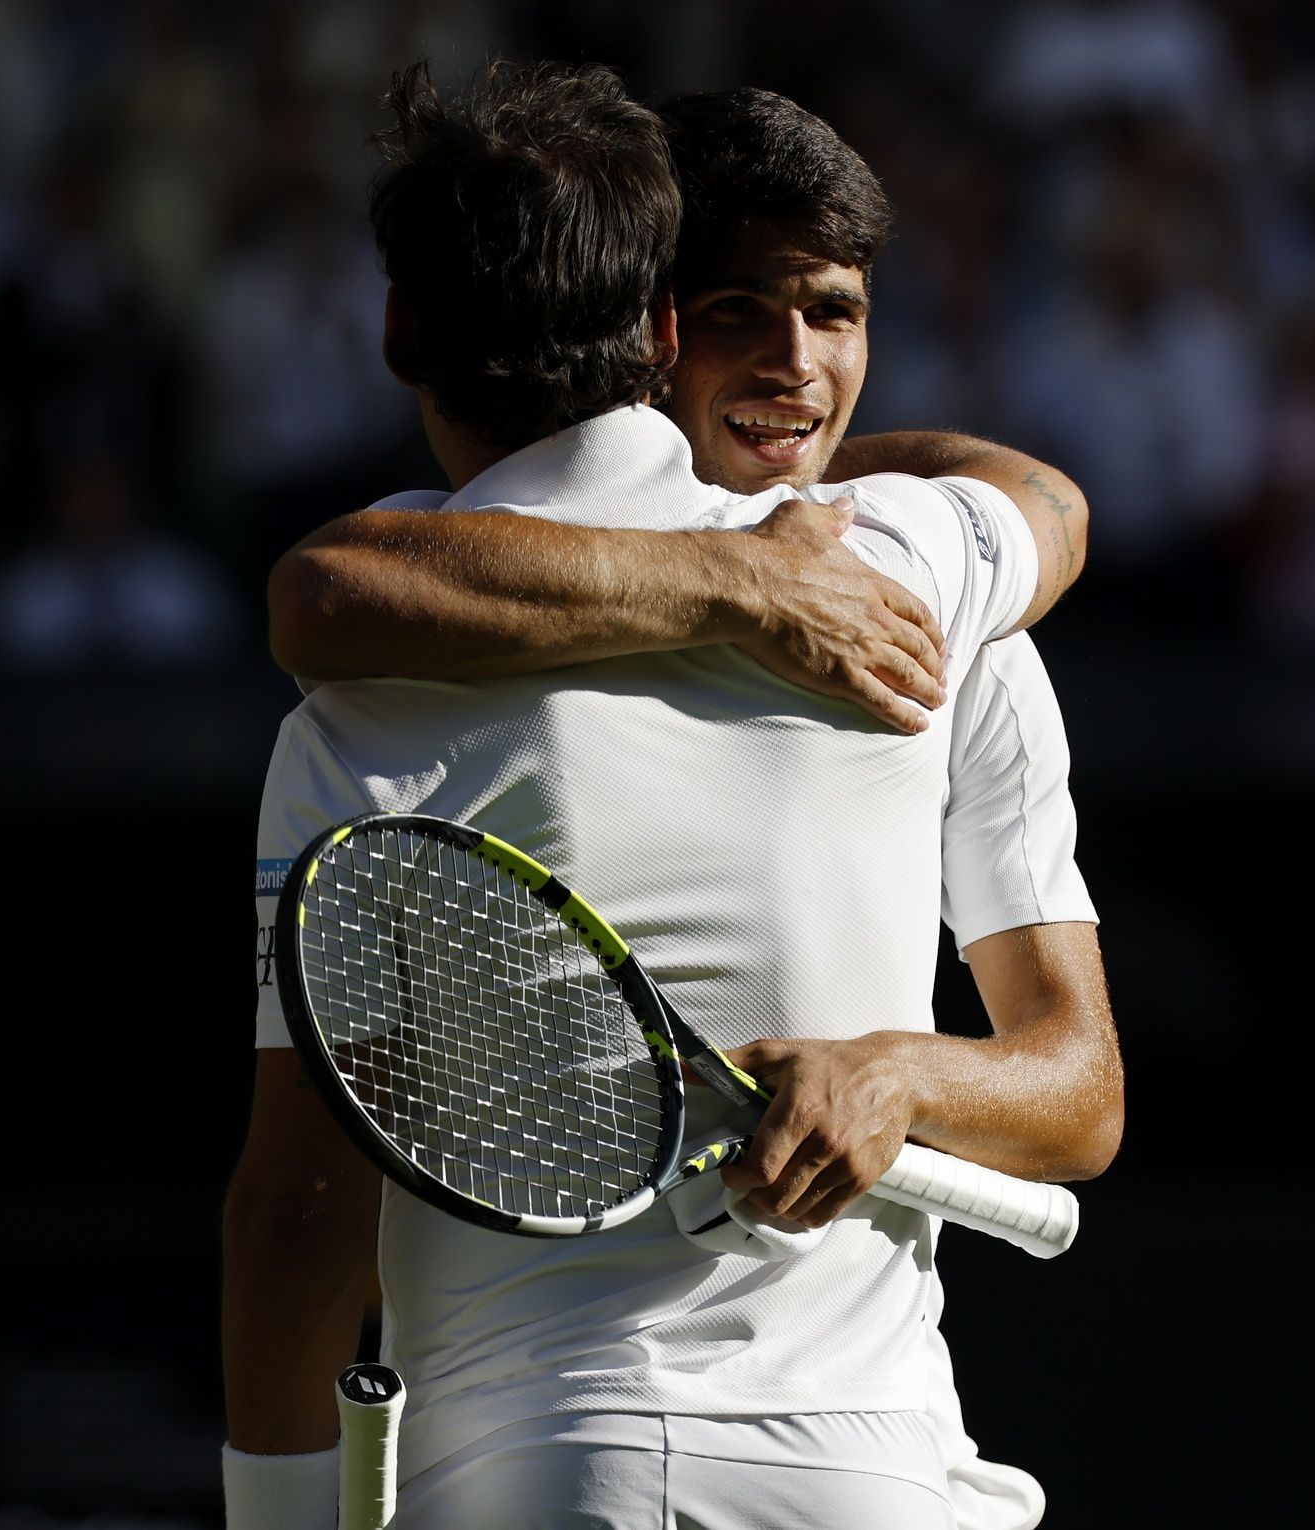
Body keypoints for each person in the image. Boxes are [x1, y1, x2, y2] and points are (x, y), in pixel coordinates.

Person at [223, 60, 1118, 1530]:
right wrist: (744, 564)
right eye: (738, 311)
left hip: (538, 1468)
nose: (794, 360)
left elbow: (299, 1211)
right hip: (865, 1484)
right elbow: (1046, 506)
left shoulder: (356, 701)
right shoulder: (910, 582)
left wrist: (902, 1071)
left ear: (396, 333)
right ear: (657, 332)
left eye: (834, 311)